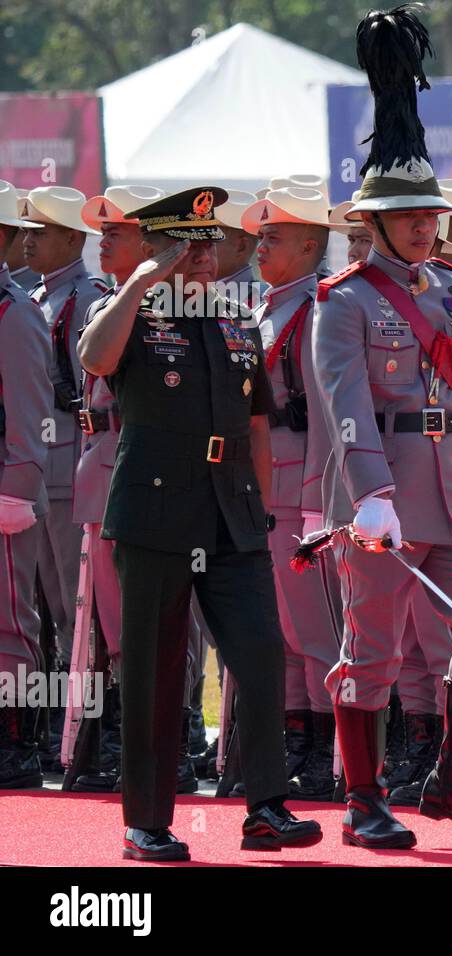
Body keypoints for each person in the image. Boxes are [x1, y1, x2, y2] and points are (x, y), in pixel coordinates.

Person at [310, 4, 452, 847]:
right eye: (410, 218)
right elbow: (344, 400)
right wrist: (371, 495)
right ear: (376, 224)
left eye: (433, 217)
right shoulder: (346, 301)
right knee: (373, 655)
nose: (427, 227)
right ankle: (363, 798)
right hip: (386, 499)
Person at [78, 185, 322, 861]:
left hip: (231, 513)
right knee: (156, 673)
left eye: (211, 245)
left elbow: (256, 425)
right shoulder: (127, 310)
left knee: (261, 651)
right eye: (191, 247)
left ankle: (266, 806)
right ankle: (146, 823)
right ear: (159, 250)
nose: (207, 259)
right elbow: (95, 360)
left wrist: (263, 511)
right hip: (156, 511)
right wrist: (142, 280)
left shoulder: (236, 320)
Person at [242, 187, 344, 800]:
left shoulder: (316, 311)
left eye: (272, 237)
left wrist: (314, 500)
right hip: (261, 488)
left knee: (316, 630)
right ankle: (299, 740)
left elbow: (326, 417)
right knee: (278, 630)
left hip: (299, 489)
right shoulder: (269, 308)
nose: (260, 247)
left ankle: (331, 750)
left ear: (309, 245)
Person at [67, 185, 165, 792]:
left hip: (146, 467)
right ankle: (119, 742)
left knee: (147, 623)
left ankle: (161, 743)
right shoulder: (105, 301)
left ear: (149, 242)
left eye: (117, 233)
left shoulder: (167, 306)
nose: (103, 241)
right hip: (102, 464)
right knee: (109, 626)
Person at [18, 185, 109, 768]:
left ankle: (91, 730)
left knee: (83, 614)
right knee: (48, 607)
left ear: (74, 239)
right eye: (24, 230)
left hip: (72, 469)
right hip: (43, 472)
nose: (28, 240)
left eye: (41, 231)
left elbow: (87, 395)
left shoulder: (86, 296)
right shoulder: (39, 295)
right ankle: (57, 724)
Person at [0, 181, 54, 790]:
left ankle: (17, 743)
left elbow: (31, 410)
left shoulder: (15, 312)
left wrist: (17, 489)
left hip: (5, 489)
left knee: (10, 622)